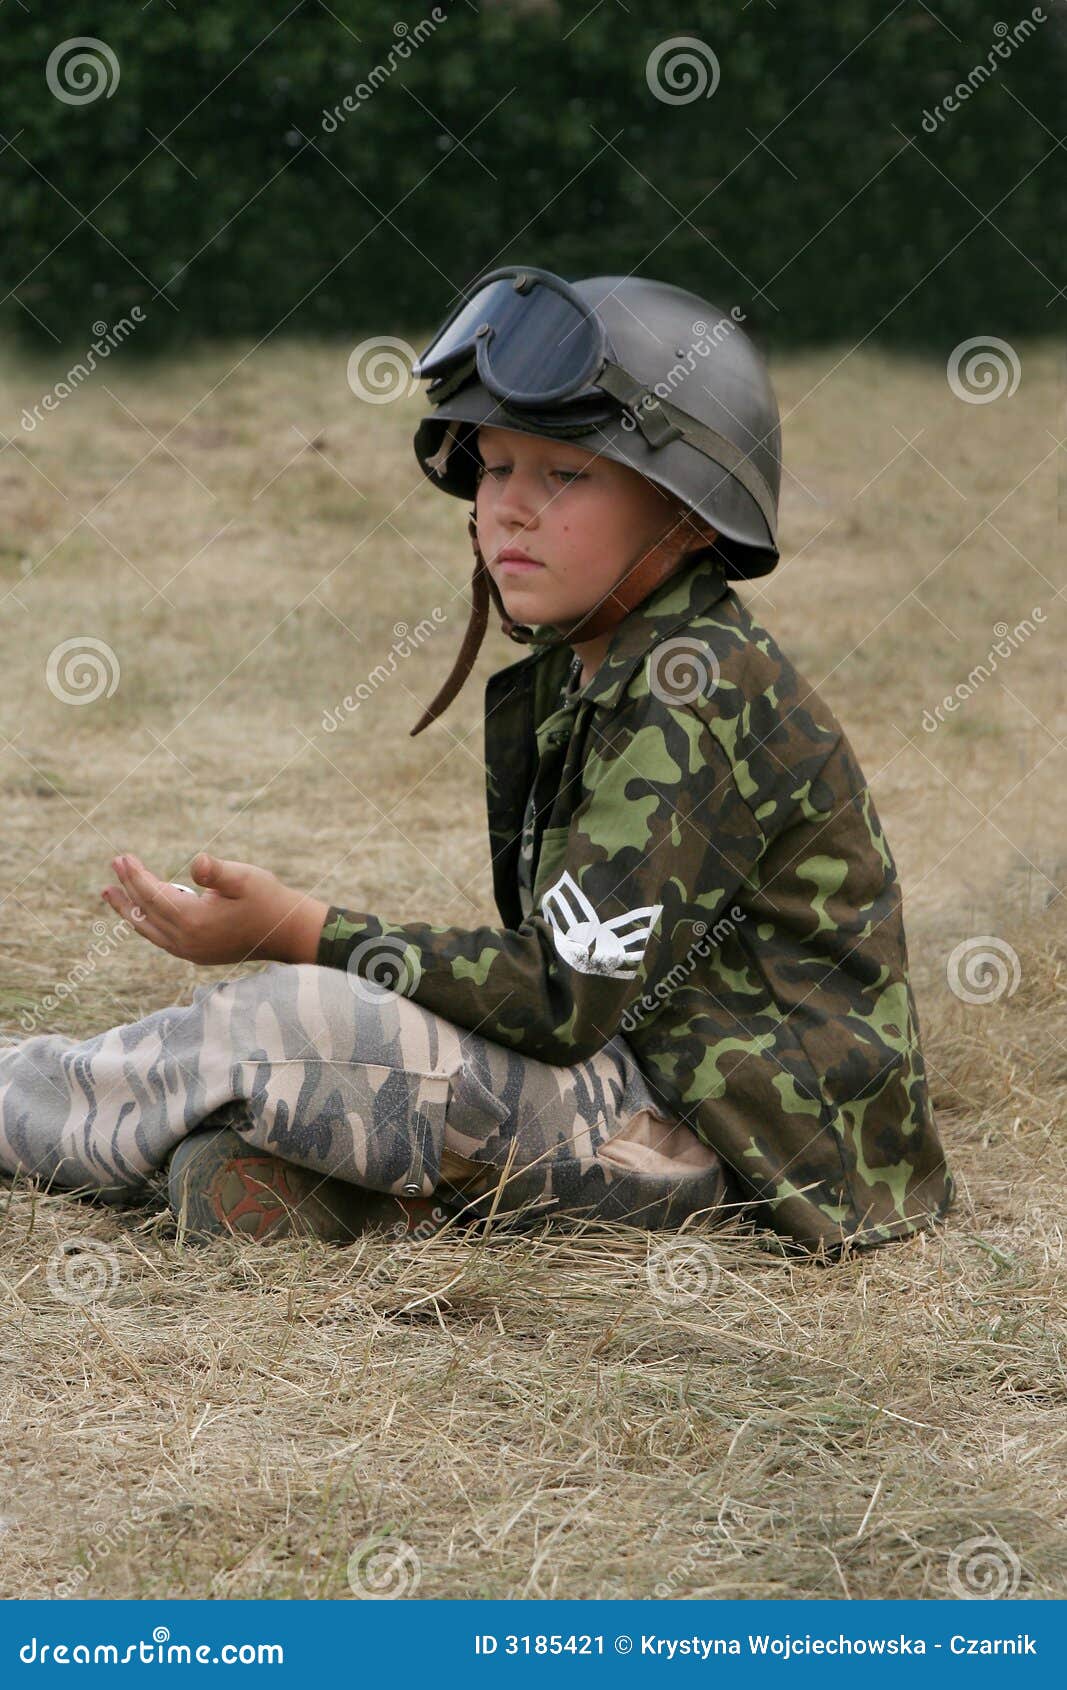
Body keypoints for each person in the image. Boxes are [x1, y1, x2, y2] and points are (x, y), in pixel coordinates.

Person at [0, 265, 954, 1257]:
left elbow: (559, 996)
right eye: (494, 468)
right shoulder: (611, 666)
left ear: (689, 513)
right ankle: (350, 1199)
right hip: (668, 1082)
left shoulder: (690, 688)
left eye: (564, 473)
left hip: (749, 1141)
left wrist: (297, 927)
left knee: (296, 1024)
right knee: (297, 1067)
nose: (508, 507)